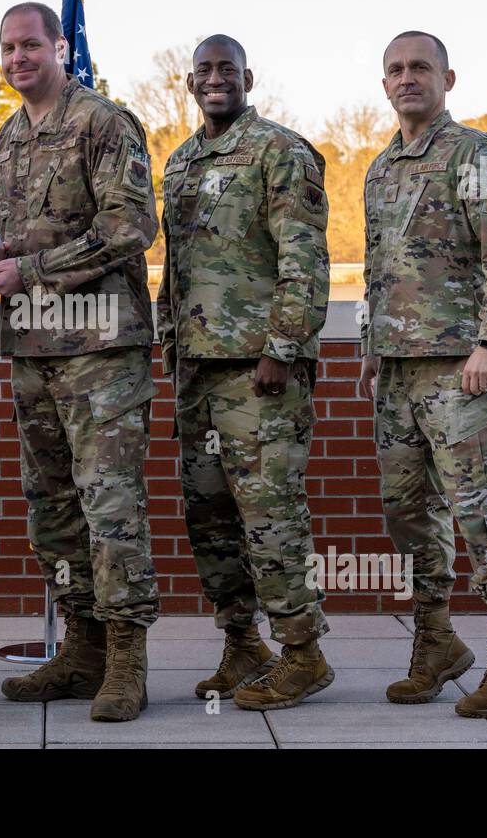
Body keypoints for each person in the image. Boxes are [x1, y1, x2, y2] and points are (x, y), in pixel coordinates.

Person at [0, 2, 160, 722]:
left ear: (60, 45)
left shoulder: (103, 122)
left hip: (101, 354)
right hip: (32, 353)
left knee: (111, 510)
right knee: (54, 515)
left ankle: (125, 663)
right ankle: (79, 651)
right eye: (8, 47)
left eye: (31, 45)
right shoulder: (5, 140)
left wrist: (34, 271)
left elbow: (131, 227)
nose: (19, 58)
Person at [358, 30, 487, 717]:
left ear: (447, 78)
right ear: (384, 85)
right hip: (398, 375)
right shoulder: (379, 169)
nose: (407, 78)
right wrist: (371, 349)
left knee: (481, 511)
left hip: (462, 368)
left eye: (420, 68)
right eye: (396, 70)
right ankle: (435, 643)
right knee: (409, 516)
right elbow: (379, 271)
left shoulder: (476, 152)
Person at [157, 35, 334, 710]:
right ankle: (242, 646)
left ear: (247, 77)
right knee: (210, 520)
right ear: (190, 82)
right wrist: (172, 353)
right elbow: (174, 273)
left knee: (270, 516)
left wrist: (282, 349)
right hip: (198, 374)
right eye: (203, 71)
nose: (214, 80)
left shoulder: (280, 152)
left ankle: (303, 653)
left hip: (260, 374)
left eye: (225, 69)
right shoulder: (179, 162)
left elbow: (304, 260)